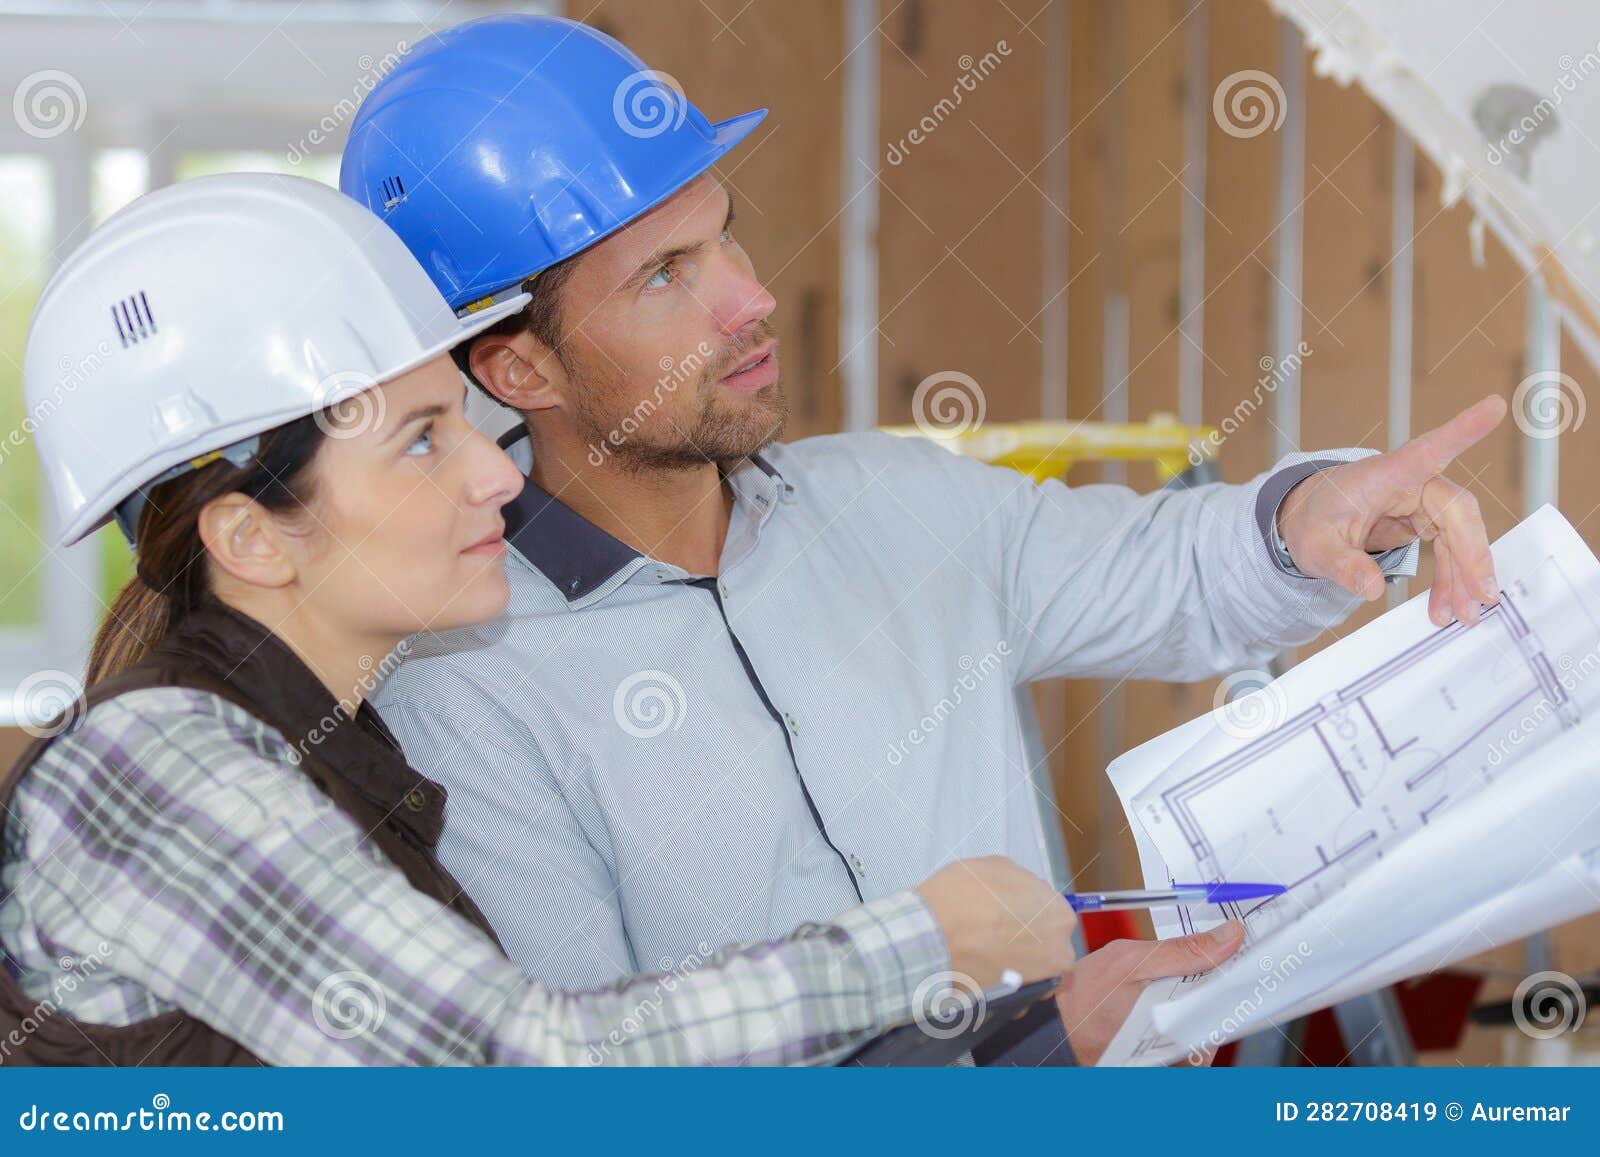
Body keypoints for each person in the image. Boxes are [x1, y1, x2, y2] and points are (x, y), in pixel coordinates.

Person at [344, 14, 1504, 1063]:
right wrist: (1037, 1053)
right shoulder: (463, 689)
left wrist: (1317, 516)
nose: (747, 301)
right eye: (664, 276)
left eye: (725, 240)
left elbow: (1172, 571)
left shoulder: (898, 501)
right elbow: (604, 1084)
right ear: (516, 365)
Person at [0, 173, 1083, 1067]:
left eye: (466, 421)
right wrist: (925, 940)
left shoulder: (342, 758)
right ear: (251, 537)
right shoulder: (161, 769)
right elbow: (517, 1067)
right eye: (422, 440)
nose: (496, 474)